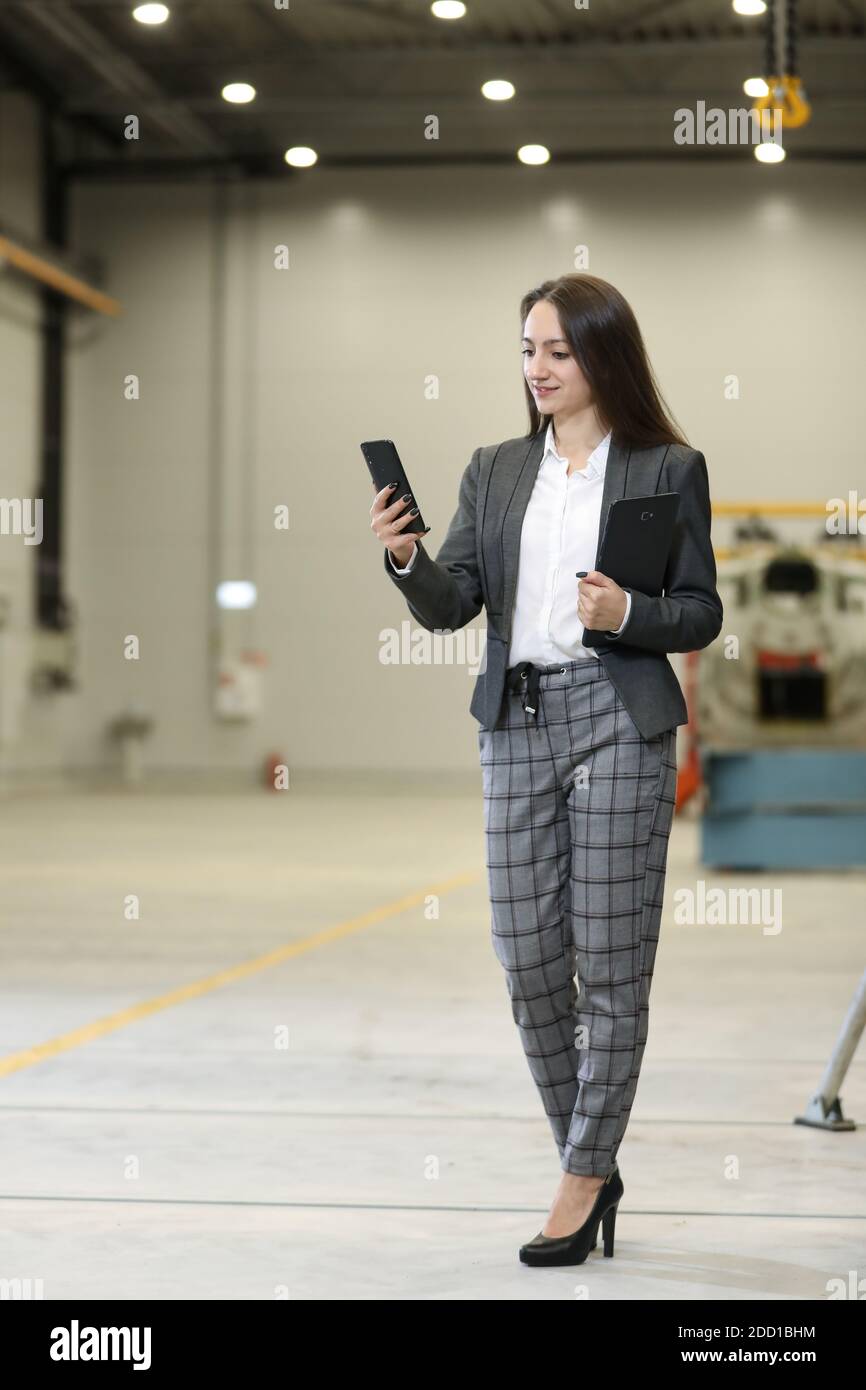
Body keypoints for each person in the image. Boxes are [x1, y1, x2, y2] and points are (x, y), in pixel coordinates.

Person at [370, 272, 723, 1266]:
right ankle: (596, 1154)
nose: (535, 369)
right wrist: (405, 561)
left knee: (608, 965)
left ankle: (576, 1178)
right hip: (514, 720)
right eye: (526, 350)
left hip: (619, 717)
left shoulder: (665, 466)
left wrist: (629, 616)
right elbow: (451, 606)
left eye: (556, 352)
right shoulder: (493, 471)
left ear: (602, 357)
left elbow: (698, 609)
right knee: (526, 961)